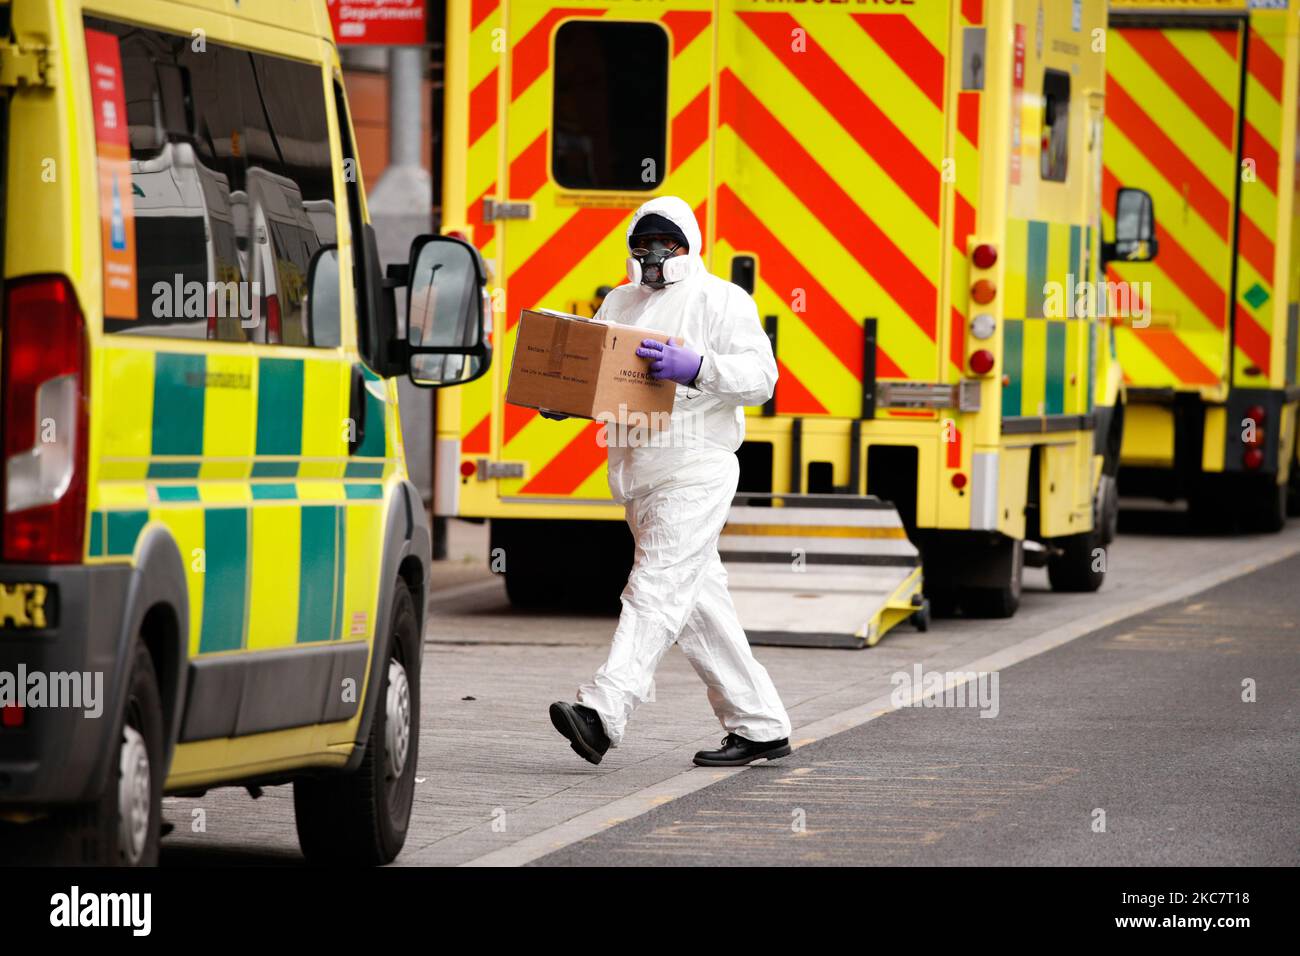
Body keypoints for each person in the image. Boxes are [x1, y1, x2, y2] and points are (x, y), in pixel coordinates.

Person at [547, 196, 793, 768]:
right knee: (700, 606)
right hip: (640, 473)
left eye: (667, 243)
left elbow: (762, 378)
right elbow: (607, 377)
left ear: (688, 244)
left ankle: (603, 712)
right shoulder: (620, 301)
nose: (655, 254)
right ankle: (760, 725)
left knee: (653, 588)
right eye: (645, 243)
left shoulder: (722, 299)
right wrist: (568, 399)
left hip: (697, 467)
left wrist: (700, 367)